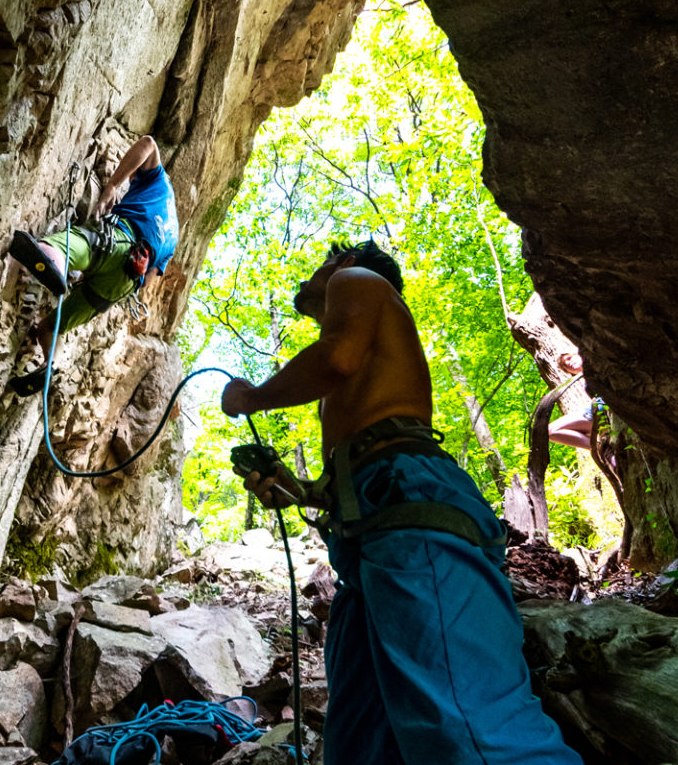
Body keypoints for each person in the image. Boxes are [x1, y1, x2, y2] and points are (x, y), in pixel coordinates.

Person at [221, 240, 583, 765]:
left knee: (472, 728)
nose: (314, 276)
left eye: (322, 265)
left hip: (413, 511)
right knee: (367, 739)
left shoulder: (360, 279)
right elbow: (365, 446)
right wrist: (300, 491)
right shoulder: (364, 382)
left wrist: (251, 397)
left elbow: (338, 357)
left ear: (342, 265)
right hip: (374, 533)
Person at [8, 134, 178, 395]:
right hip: (119, 287)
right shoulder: (173, 235)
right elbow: (149, 280)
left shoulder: (160, 183)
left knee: (52, 249)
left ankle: (54, 260)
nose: (132, 180)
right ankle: (49, 363)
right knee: (52, 327)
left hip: (119, 241)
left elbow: (148, 143)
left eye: (134, 177)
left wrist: (112, 185)